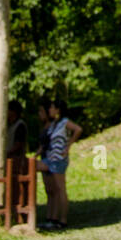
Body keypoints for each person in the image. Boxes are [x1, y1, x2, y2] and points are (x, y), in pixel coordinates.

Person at [39, 99, 81, 231]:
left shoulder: (64, 122)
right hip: (50, 159)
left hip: (58, 160)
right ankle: (51, 218)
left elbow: (78, 129)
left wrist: (68, 146)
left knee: (60, 189)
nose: (50, 110)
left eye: (52, 108)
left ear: (58, 110)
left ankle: (62, 220)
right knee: (51, 190)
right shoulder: (54, 125)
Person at [35, 101, 55, 228]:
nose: (39, 114)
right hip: (44, 159)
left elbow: (44, 146)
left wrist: (35, 156)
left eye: (41, 111)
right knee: (49, 191)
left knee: (53, 190)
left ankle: (54, 218)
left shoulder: (52, 128)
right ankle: (49, 217)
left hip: (50, 160)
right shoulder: (45, 128)